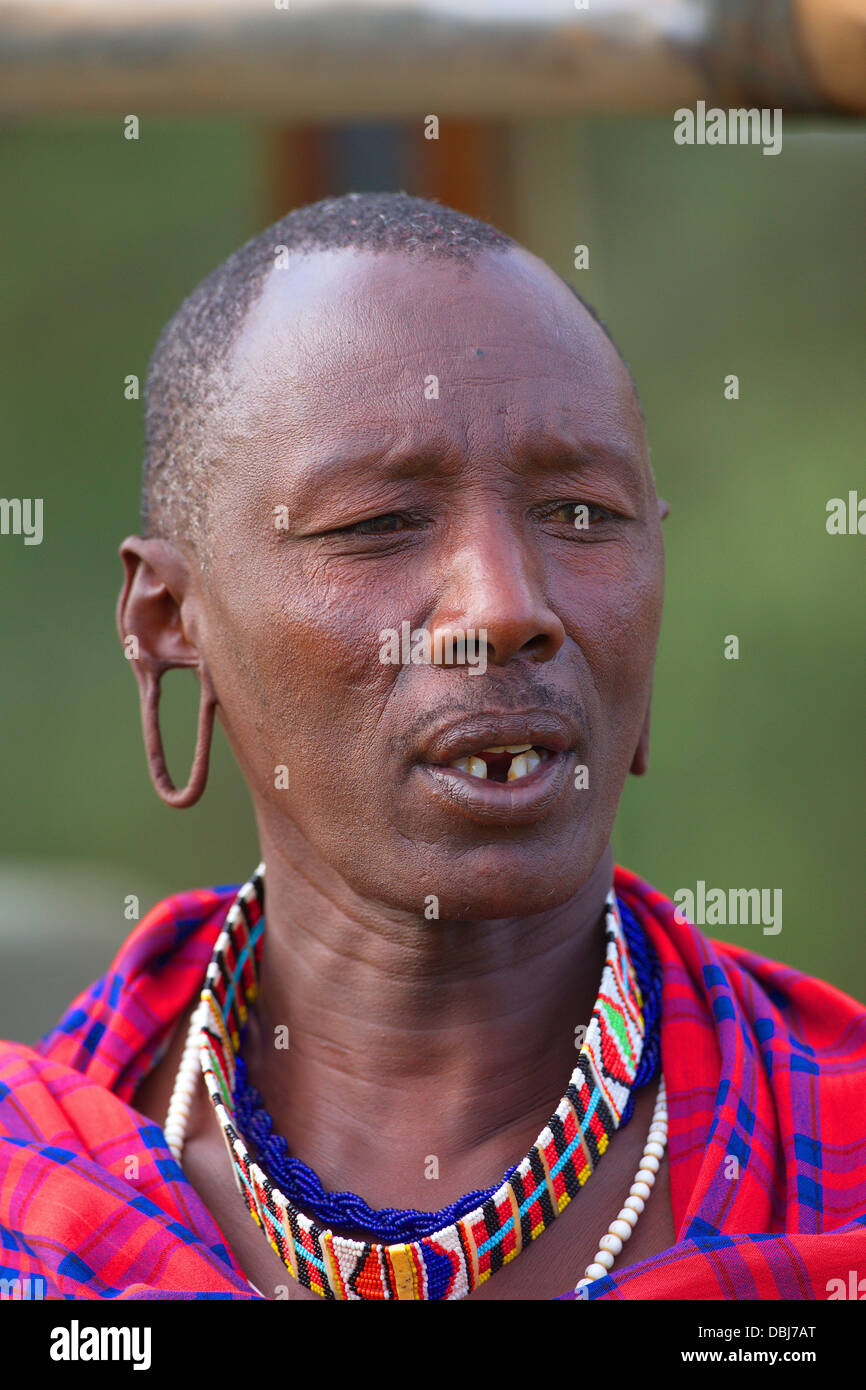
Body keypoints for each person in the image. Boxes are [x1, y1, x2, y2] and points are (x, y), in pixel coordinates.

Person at [1, 193, 864, 1302]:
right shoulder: (41, 1216)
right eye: (374, 524)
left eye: (582, 514)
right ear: (171, 619)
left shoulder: (829, 1164)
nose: (506, 606)